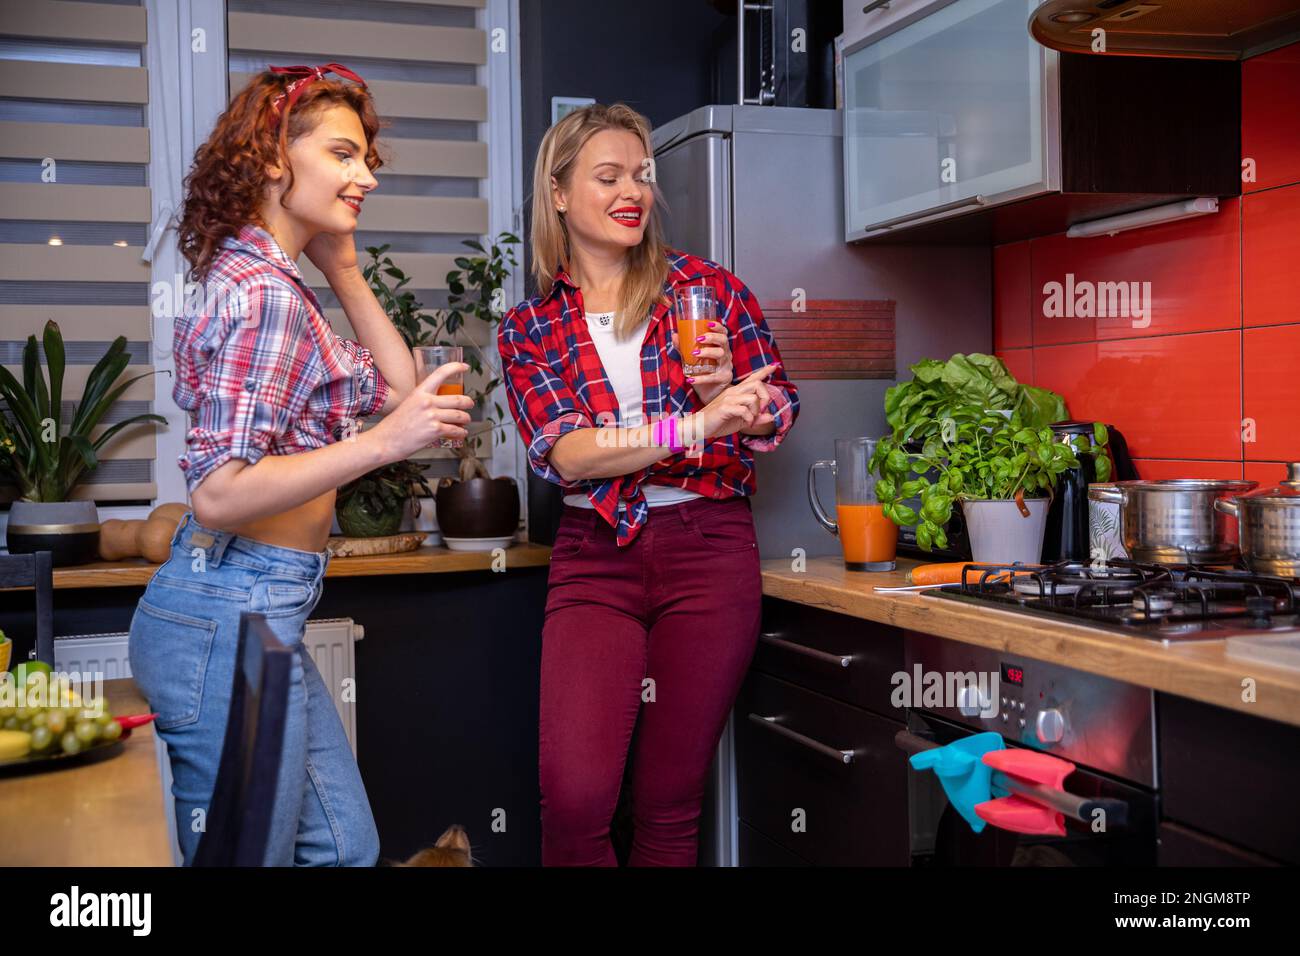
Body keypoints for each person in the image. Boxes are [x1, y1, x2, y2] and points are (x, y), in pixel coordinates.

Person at [127, 64, 473, 865]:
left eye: (367, 161)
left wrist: (343, 265)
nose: (365, 178)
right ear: (276, 157)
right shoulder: (266, 296)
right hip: (227, 611)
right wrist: (388, 444)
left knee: (346, 848)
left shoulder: (277, 280)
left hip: (255, 606)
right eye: (344, 155)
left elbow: (394, 387)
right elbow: (217, 495)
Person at [499, 103, 800, 866]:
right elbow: (569, 454)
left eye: (642, 174)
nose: (634, 190)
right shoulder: (530, 328)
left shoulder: (710, 291)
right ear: (559, 193)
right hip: (595, 555)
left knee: (668, 804)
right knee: (573, 801)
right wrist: (696, 426)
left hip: (708, 550)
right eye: (609, 176)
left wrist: (741, 400)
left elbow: (778, 406)